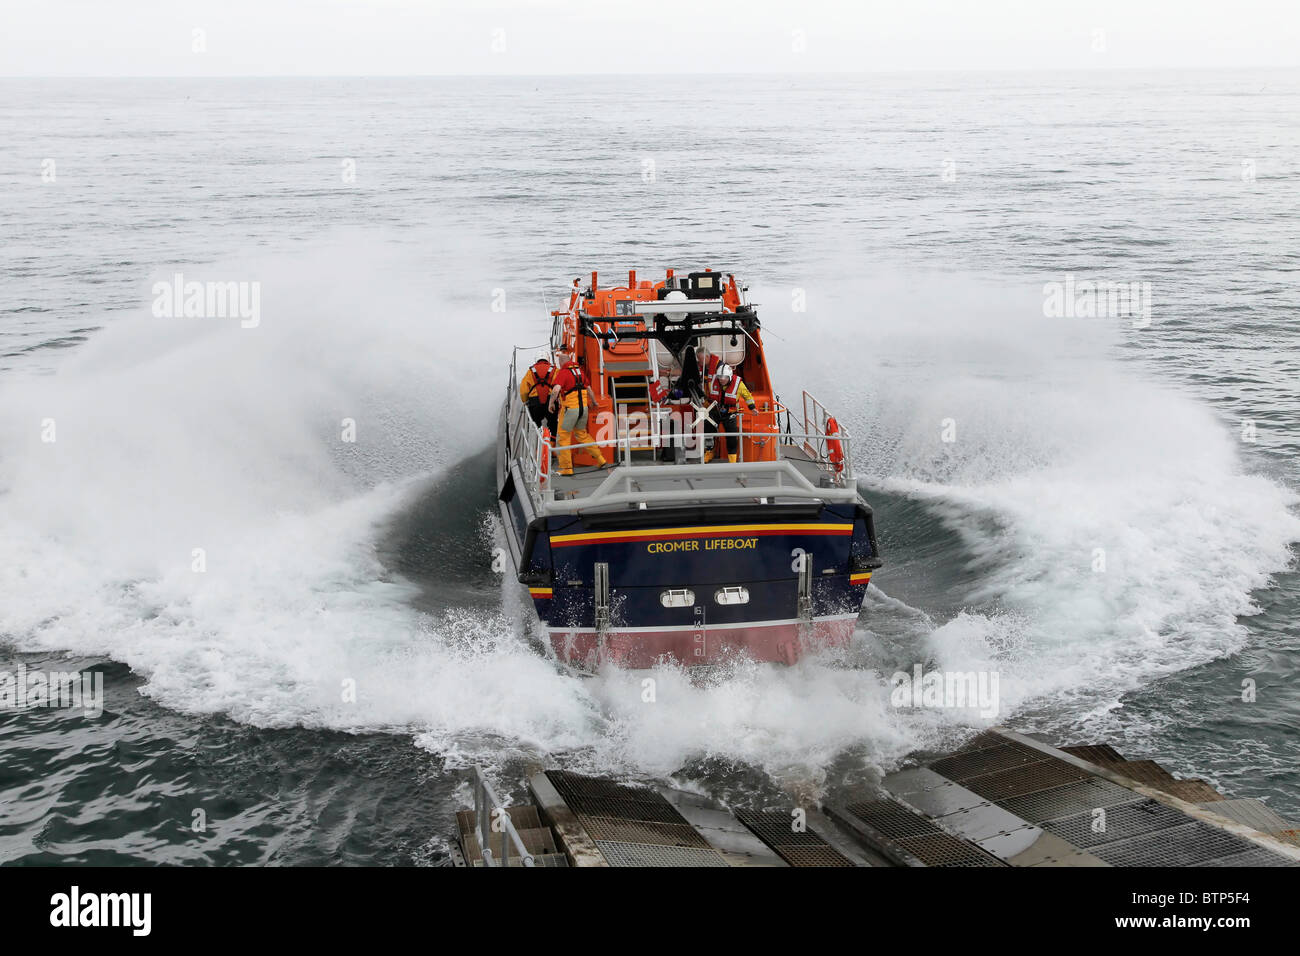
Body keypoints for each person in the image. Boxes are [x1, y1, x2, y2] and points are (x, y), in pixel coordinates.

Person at [547, 356, 609, 476]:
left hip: (570, 410)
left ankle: (566, 468)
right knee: (582, 435)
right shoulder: (579, 372)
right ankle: (601, 459)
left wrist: (550, 403)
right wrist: (594, 402)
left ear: (561, 362)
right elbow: (589, 389)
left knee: (563, 437)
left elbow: (556, 390)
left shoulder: (563, 372)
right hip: (583, 409)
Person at [704, 362, 756, 463]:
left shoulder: (738, 384)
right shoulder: (713, 382)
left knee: (732, 435)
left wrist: (752, 407)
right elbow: (707, 394)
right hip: (715, 411)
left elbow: (747, 396)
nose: (722, 379)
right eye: (720, 377)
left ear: (730, 377)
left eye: (725, 377)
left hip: (730, 413)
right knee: (708, 430)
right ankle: (709, 452)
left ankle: (732, 458)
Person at [518, 357, 558, 436]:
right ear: (547, 359)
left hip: (535, 403)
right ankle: (552, 444)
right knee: (553, 425)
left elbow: (524, 391)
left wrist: (525, 401)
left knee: (535, 425)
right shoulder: (555, 370)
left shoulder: (530, 371)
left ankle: (536, 442)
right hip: (551, 401)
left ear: (537, 360)